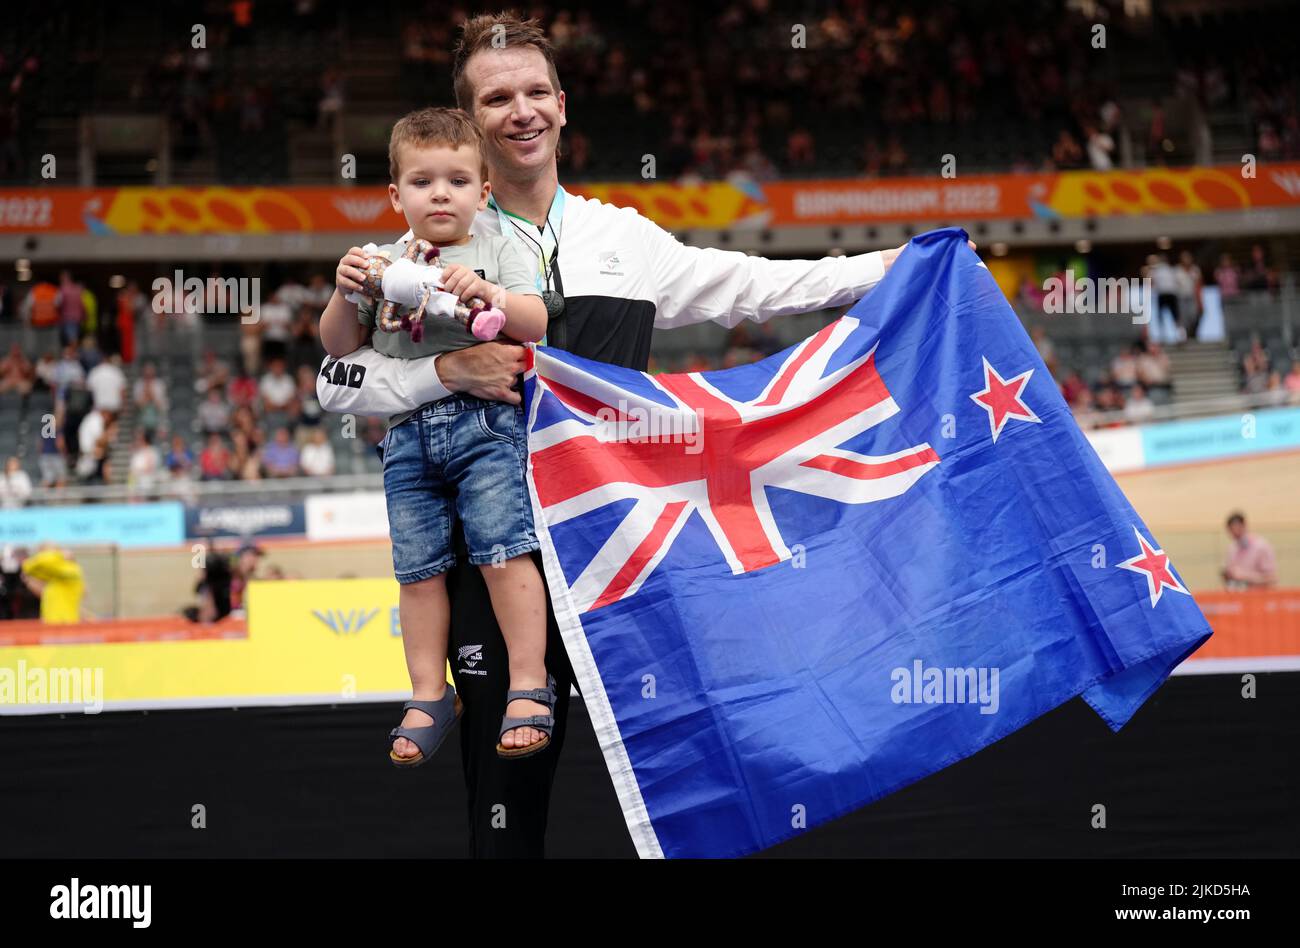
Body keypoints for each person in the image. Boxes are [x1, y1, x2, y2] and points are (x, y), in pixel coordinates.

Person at [315, 12, 946, 858]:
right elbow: (334, 379)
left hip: (626, 555)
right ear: (471, 119)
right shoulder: (415, 250)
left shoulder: (625, 240)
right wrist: (444, 375)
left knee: (695, 773)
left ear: (564, 106)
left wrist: (892, 267)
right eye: (497, 97)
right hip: (494, 556)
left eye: (536, 91)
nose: (521, 110)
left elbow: (757, 287)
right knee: (505, 807)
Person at [320, 105, 555, 767]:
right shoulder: (380, 260)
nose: (441, 193)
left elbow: (537, 321)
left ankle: (529, 683)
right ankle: (428, 692)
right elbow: (338, 352)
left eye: (457, 180)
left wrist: (489, 294)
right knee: (417, 570)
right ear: (396, 195)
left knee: (503, 550)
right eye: (423, 182)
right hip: (405, 437)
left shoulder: (501, 243)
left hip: (489, 425)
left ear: (484, 189)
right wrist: (341, 296)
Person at [20, 543, 85, 623]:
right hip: (50, 625)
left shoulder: (73, 570)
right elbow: (28, 567)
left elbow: (40, 563)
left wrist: (57, 555)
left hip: (66, 625)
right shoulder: (52, 579)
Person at [1222, 512, 1277, 589]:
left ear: (1244, 526)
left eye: (1236, 528)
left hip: (1259, 597)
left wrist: (1245, 576)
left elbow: (1272, 579)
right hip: (1239, 596)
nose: (1234, 533)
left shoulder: (1261, 547)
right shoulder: (1232, 548)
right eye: (1231, 530)